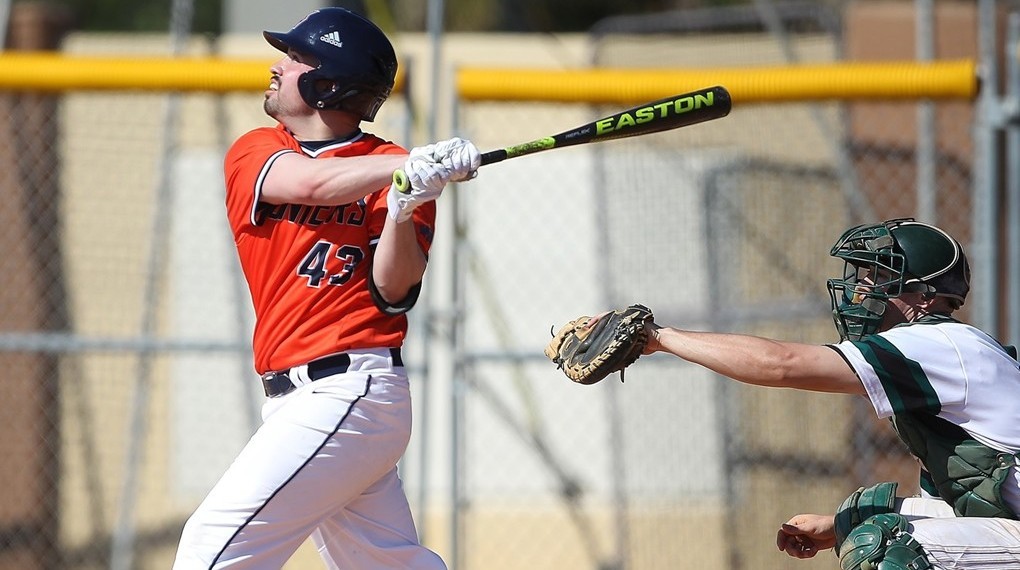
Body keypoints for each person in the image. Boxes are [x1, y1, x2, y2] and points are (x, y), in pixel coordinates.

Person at [172, 7, 479, 569]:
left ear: (327, 83)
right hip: (297, 398)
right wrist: (405, 168)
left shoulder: (398, 169)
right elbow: (311, 182)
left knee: (209, 551)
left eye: (295, 59)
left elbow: (394, 289)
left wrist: (403, 210)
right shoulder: (257, 148)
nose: (277, 67)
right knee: (387, 564)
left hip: (352, 389)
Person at [635, 218, 1020, 569]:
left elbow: (781, 363)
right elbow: (962, 506)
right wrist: (839, 526)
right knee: (864, 518)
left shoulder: (940, 344)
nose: (860, 292)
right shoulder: (945, 353)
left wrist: (658, 338)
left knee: (887, 545)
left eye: (878, 278)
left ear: (923, 296)